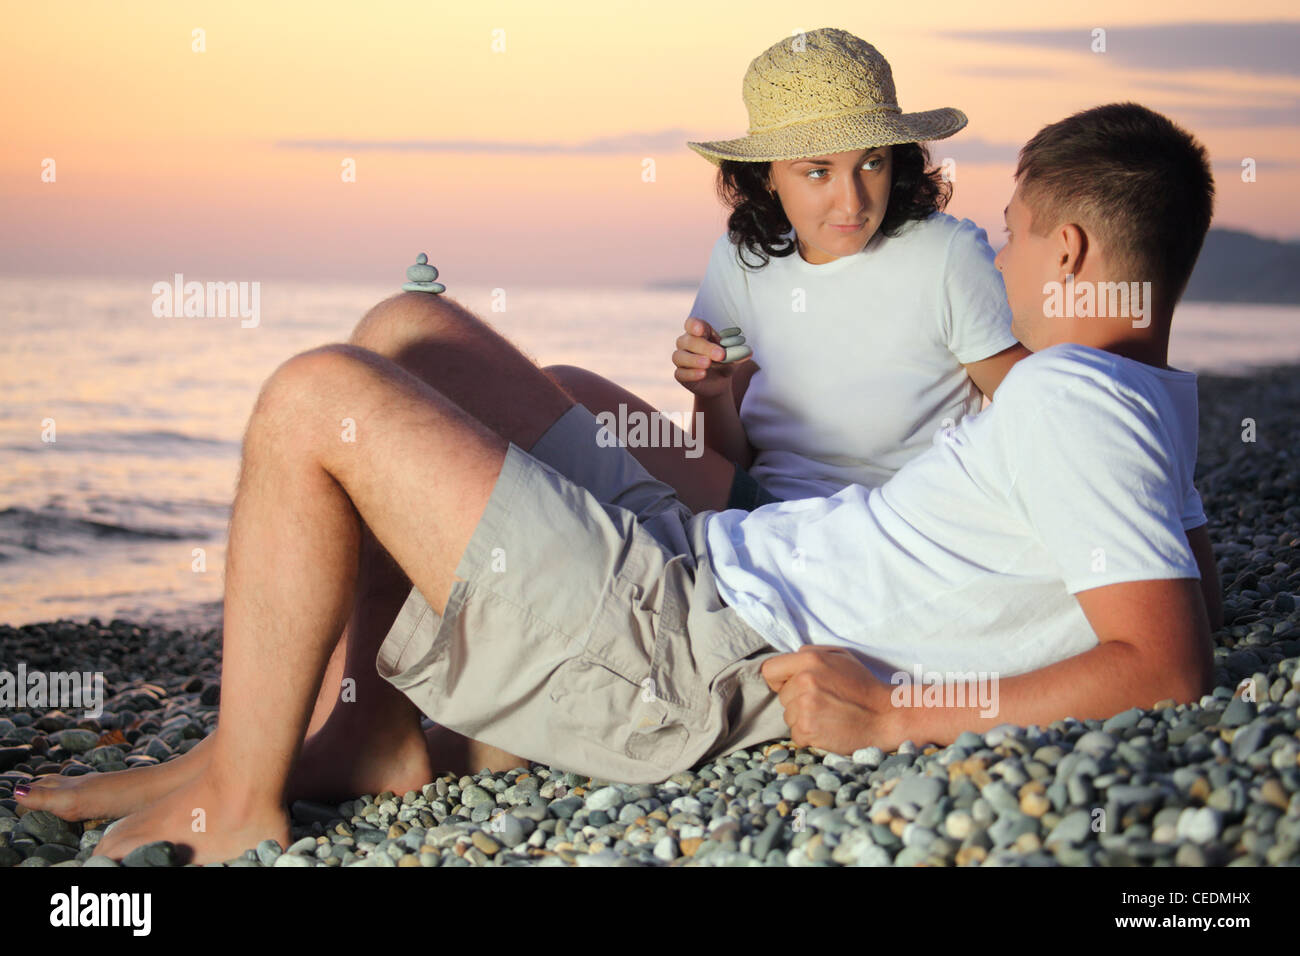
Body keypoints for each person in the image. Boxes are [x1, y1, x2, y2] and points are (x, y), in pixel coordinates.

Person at [18, 101, 1221, 866]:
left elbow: (1165, 662)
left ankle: (240, 799)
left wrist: (902, 712)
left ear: (1068, 252)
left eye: (1011, 233)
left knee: (311, 398)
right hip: (706, 570)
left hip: (689, 645)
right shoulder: (1140, 407)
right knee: (408, 327)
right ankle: (365, 730)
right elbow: (1169, 598)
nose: (995, 253)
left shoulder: (1075, 396)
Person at [544, 28, 1029, 514]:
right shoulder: (740, 259)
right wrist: (712, 395)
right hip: (759, 515)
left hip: (891, 526)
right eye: (818, 172)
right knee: (560, 388)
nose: (852, 201)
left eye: (871, 163)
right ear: (768, 176)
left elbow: (1035, 417)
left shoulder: (946, 255)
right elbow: (725, 462)